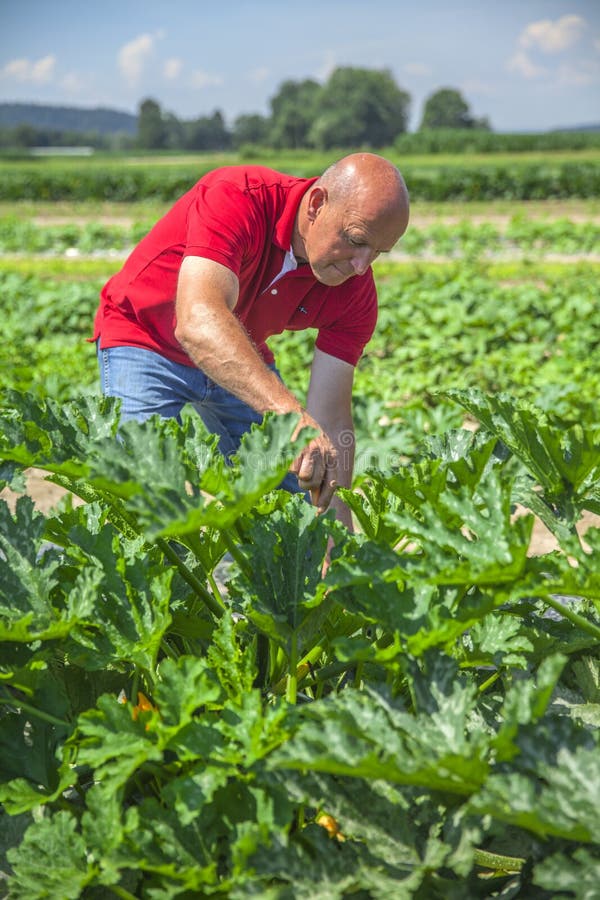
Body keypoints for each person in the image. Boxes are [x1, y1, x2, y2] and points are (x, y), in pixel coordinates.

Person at [92, 153, 409, 530]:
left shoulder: (356, 291)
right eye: (356, 240)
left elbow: (331, 415)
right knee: (148, 502)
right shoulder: (237, 197)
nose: (361, 265)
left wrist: (336, 543)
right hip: (144, 340)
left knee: (296, 502)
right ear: (317, 204)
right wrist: (289, 419)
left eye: (377, 252)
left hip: (236, 356)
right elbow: (197, 322)